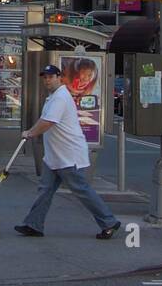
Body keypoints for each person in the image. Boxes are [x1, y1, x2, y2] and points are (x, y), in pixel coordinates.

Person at [15, 66, 122, 240]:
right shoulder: (53, 98)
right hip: (55, 157)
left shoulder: (60, 98)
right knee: (45, 190)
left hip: (69, 156)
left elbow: (48, 122)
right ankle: (33, 224)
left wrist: (30, 133)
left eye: (51, 77)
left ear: (59, 78)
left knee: (82, 190)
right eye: (45, 77)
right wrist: (32, 131)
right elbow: (45, 120)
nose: (47, 80)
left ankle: (109, 222)